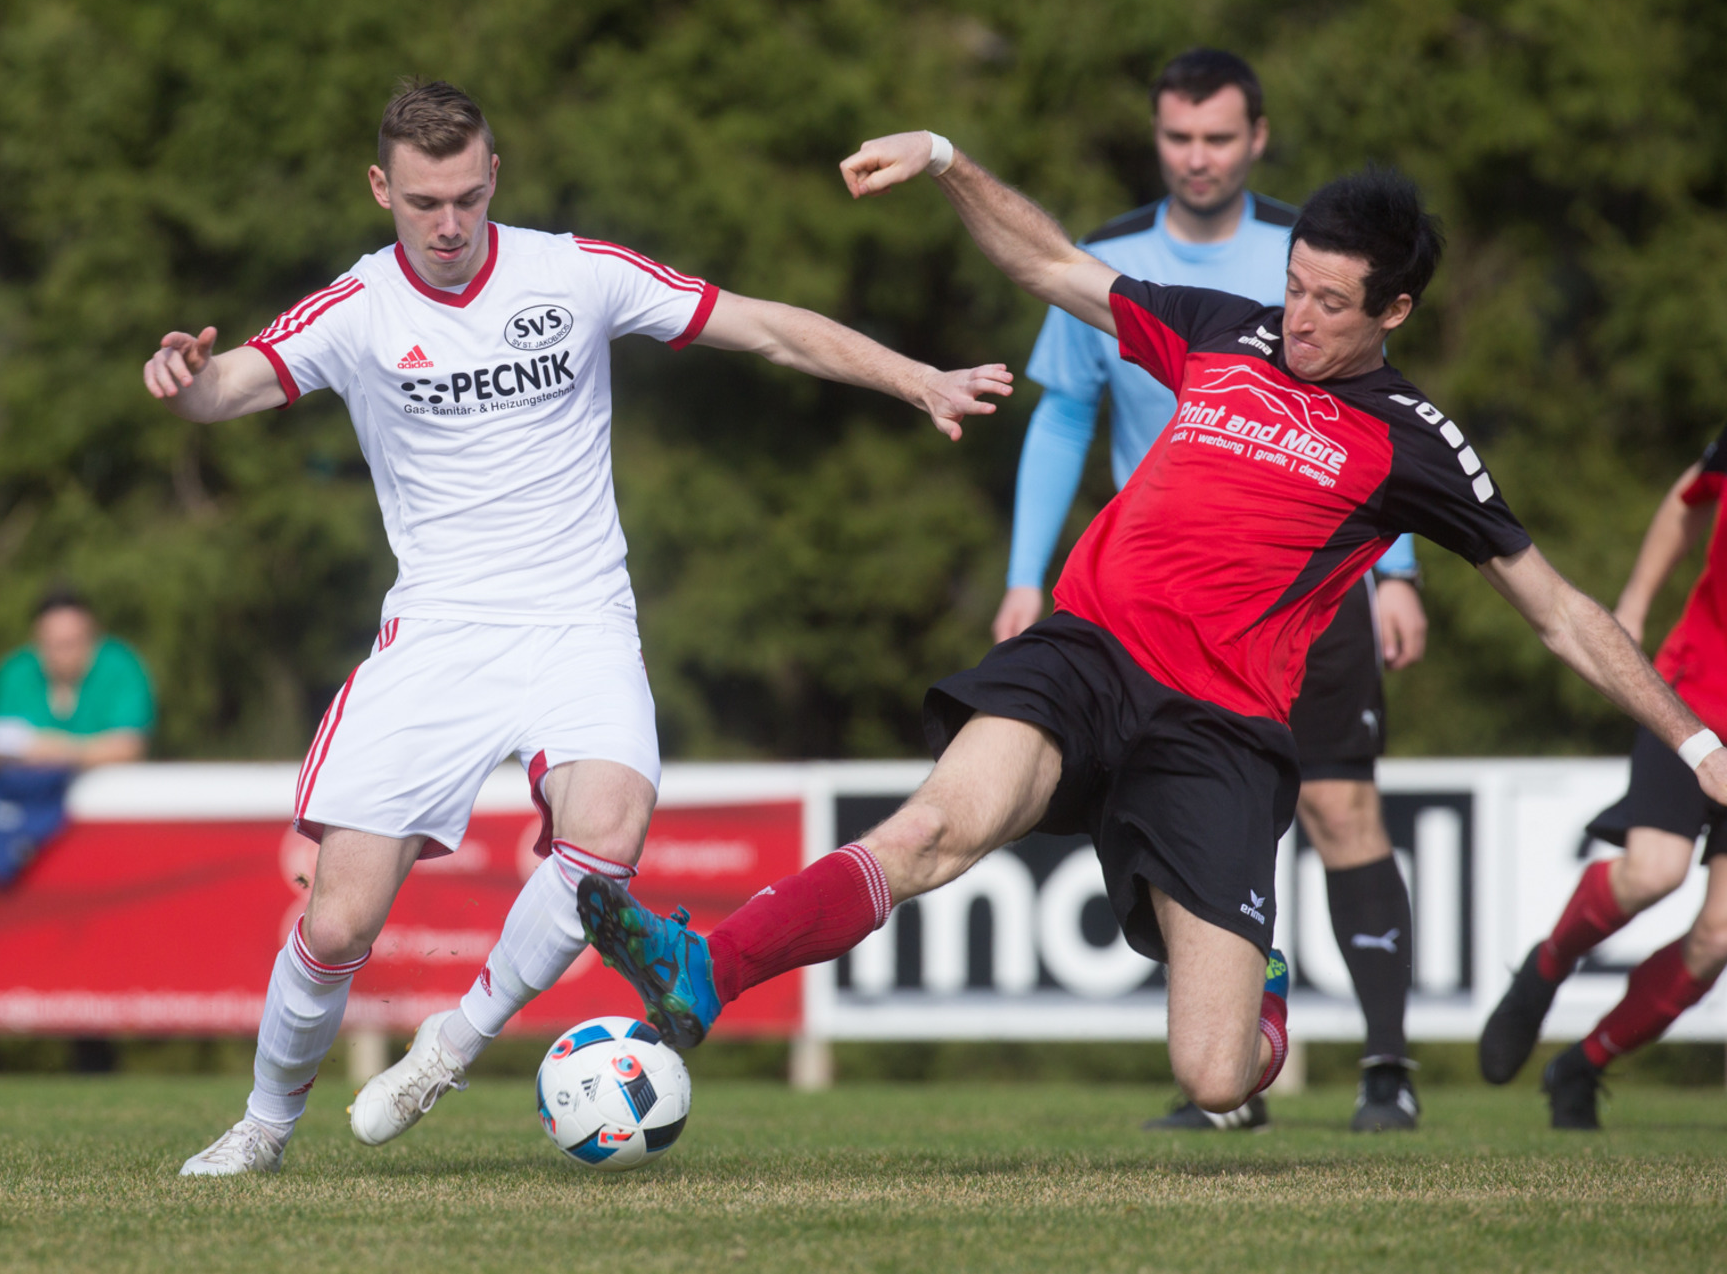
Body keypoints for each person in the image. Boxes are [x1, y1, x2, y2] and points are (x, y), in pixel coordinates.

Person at [579, 132, 1727, 1132]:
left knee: (1213, 1071)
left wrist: (1693, 744)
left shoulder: (1411, 438)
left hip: (1218, 732)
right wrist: (942, 158)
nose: (1302, 316)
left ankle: (1256, 981)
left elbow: (1560, 612)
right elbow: (1047, 262)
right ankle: (706, 967)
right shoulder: (1224, 332)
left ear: (1394, 311)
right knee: (936, 823)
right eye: (1296, 286)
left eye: (1334, 302)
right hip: (1085, 652)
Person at [154, 81, 1012, 1177]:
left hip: (577, 618)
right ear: (381, 190)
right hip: (440, 632)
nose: (449, 223)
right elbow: (227, 388)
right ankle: (263, 1127)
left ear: (494, 176)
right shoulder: (357, 307)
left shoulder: (575, 272)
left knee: (607, 827)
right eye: (423, 201)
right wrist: (181, 382)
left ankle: (451, 1042)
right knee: (336, 923)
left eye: (466, 195)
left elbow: (764, 327)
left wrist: (915, 377)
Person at [998, 49, 1429, 1132]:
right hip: (1153, 608)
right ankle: (1233, 1060)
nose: (1196, 158)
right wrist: (1019, 574)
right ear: (1158, 138)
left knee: (1340, 806)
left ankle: (1386, 1064)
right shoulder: (1107, 258)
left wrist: (1398, 570)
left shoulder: (1308, 253)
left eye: (1217, 138)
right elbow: (1060, 417)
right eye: (1177, 138)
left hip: (1305, 594)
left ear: (1256, 139)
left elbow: (1372, 422)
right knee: (1180, 818)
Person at [1479, 428, 1727, 1128]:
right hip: (1696, 693)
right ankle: (1548, 964)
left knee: (1719, 937)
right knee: (1653, 870)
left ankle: (1582, 1063)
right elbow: (1692, 496)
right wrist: (1636, 604)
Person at [0, 590, 153, 886]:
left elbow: (129, 746)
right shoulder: (15, 672)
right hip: (28, 830)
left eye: (72, 643)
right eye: (52, 644)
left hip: (109, 840)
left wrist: (52, 751)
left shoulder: (121, 666)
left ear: (93, 636)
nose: (62, 653)